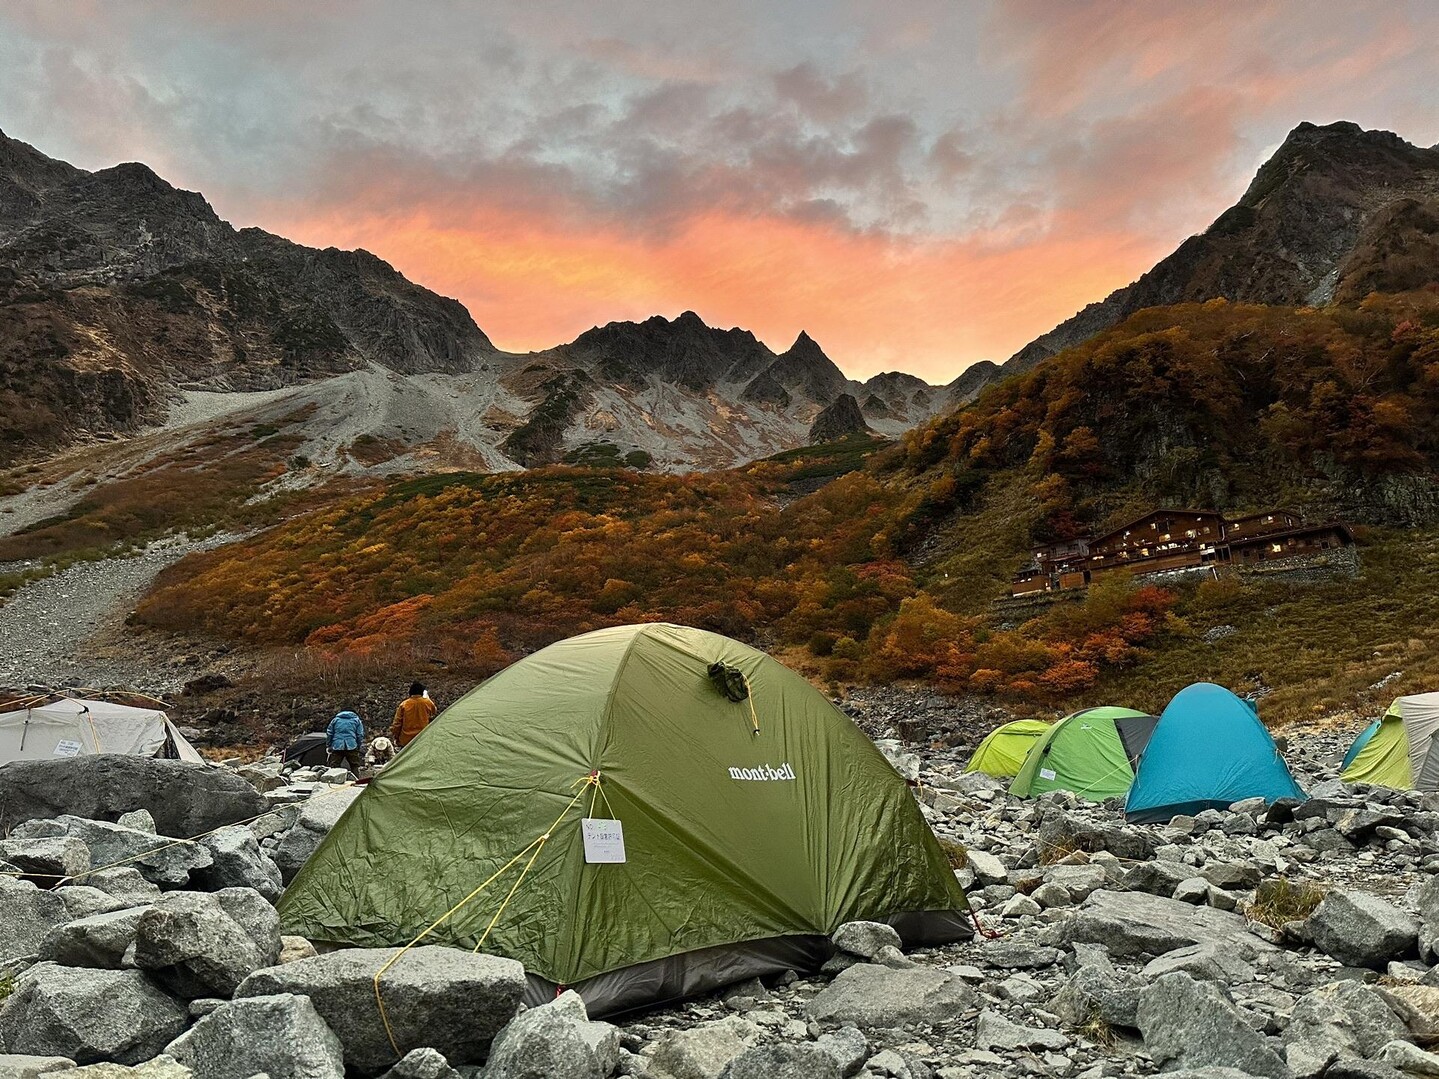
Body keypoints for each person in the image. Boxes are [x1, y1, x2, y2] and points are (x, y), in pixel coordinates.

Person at [392, 682, 438, 749]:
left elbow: (397, 723)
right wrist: (427, 698)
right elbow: (434, 711)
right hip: (422, 738)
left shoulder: (404, 704)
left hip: (406, 740)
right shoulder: (427, 702)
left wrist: (396, 736)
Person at [326, 710, 365, 775]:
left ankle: (333, 781)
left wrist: (328, 745)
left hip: (337, 745)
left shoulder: (335, 720)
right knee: (355, 765)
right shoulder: (357, 720)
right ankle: (356, 781)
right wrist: (358, 745)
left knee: (334, 765)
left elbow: (329, 733)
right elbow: (360, 734)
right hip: (351, 745)